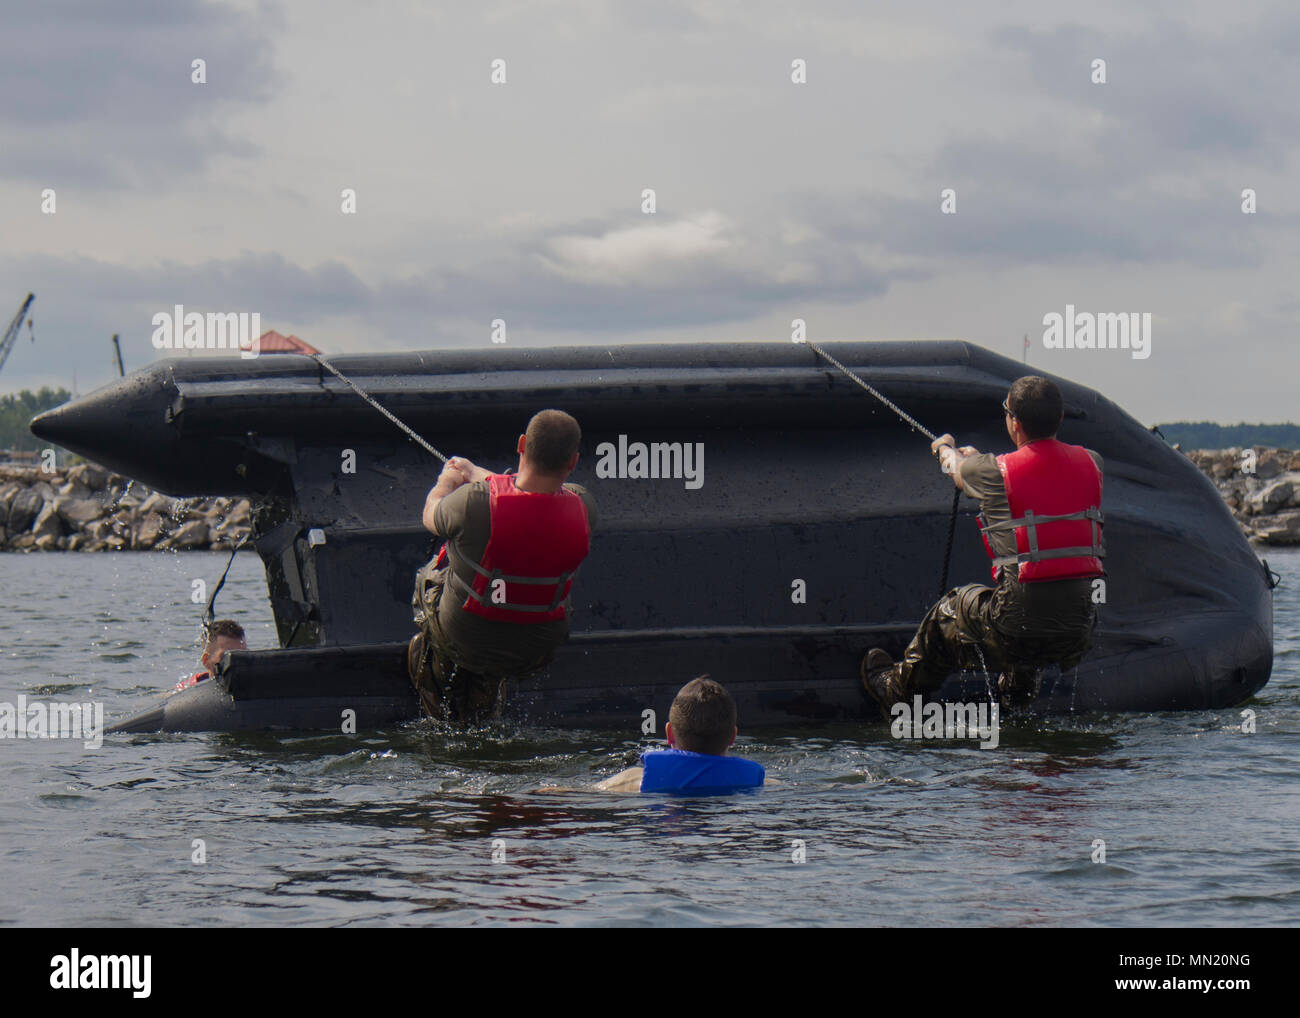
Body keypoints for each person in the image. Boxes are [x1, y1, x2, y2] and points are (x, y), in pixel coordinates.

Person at [862, 375, 1104, 713]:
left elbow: (958, 470)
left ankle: (898, 693)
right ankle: (1015, 702)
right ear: (1060, 418)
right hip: (1079, 631)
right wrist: (980, 461)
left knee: (951, 609)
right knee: (1032, 611)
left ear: (1014, 422)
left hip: (1017, 626)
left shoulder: (992, 471)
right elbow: (1039, 480)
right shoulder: (1093, 463)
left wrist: (944, 447)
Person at [408, 409, 598, 724]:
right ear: (573, 462)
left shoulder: (471, 503)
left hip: (463, 637)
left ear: (522, 444)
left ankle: (436, 676)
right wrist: (473, 471)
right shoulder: (584, 505)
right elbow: (527, 495)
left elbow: (431, 515)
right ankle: (488, 688)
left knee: (434, 569)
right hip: (535, 649)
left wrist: (449, 480)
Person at [596, 676, 766, 794]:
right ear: (733, 736)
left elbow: (573, 792)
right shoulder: (756, 781)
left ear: (669, 733)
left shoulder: (634, 781)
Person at [173, 619, 246, 691]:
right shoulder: (186, 691)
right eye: (227, 656)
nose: (237, 662)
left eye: (243, 655)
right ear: (206, 660)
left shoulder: (255, 685)